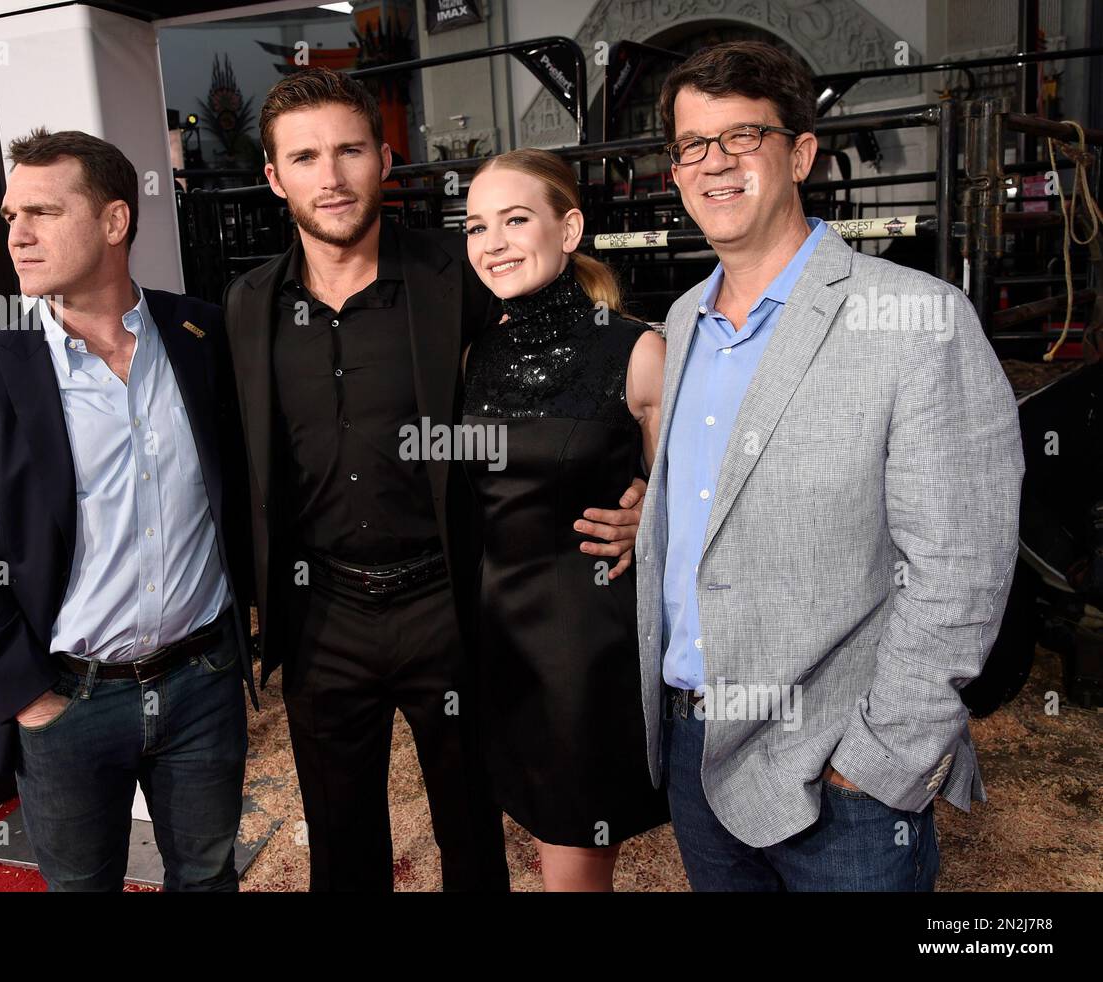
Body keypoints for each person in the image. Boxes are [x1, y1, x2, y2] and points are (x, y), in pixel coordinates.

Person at [223, 68, 647, 891]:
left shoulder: (461, 275)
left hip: (449, 605)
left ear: (385, 159)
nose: (332, 175)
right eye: (305, 157)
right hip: (322, 616)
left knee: (470, 840)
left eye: (350, 150)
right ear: (275, 178)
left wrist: (640, 490)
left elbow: (574, 364)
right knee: (341, 851)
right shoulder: (247, 305)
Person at [635, 41, 1025, 891]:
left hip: (838, 775)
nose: (716, 163)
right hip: (697, 748)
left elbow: (961, 566)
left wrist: (879, 762)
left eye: (744, 136)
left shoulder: (916, 320)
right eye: (693, 144)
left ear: (801, 153)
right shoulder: (683, 317)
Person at [0, 128, 256, 891]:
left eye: (42, 211)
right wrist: (29, 697)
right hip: (67, 703)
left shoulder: (203, 336)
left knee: (207, 878)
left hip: (202, 680)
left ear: (113, 221)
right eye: (10, 216)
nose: (19, 235)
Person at [461, 149, 670, 891]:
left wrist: (653, 513)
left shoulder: (638, 351)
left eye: (516, 219)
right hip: (493, 643)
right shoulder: (468, 355)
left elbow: (706, 494)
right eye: (477, 225)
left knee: (573, 865)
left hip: (583, 652)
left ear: (569, 227)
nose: (494, 242)